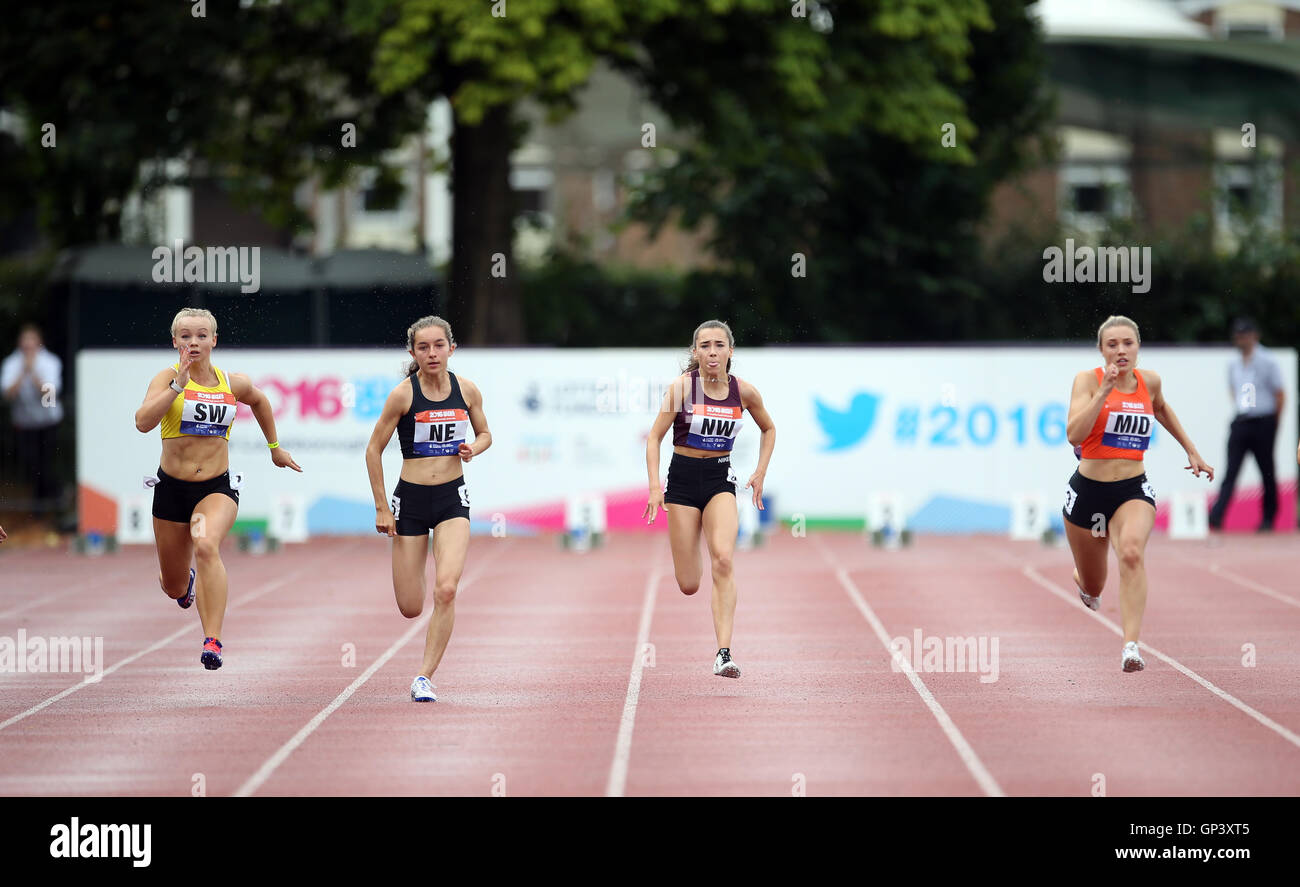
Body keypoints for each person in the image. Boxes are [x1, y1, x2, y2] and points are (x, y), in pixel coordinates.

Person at [134, 308, 301, 670]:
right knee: (173, 587)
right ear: (175, 341)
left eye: (200, 335)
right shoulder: (166, 377)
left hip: (216, 487)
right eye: (185, 336)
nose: (193, 342)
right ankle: (184, 584)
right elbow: (142, 422)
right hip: (172, 490)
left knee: (206, 544)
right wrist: (177, 386)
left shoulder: (231, 382)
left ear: (214, 340)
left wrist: (275, 449)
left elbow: (259, 400)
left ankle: (213, 639)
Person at [1064, 315, 1213, 672]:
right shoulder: (1087, 381)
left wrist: (1190, 450)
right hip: (1087, 493)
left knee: (1131, 553)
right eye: (1112, 345)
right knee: (1094, 585)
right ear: (1102, 351)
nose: (1120, 351)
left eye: (1127, 343)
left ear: (1138, 348)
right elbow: (1074, 435)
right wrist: (1104, 392)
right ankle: (1083, 580)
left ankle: (1131, 645)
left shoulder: (1150, 382)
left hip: (1132, 488)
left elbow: (1161, 408)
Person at [365, 316, 491, 703]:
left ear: (452, 348)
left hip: (452, 499)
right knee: (410, 606)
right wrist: (383, 508)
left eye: (439, 345)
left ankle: (424, 676)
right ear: (413, 352)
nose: (432, 353)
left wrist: (475, 448)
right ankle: (411, 564)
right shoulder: (403, 395)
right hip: (411, 502)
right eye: (424, 347)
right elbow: (373, 450)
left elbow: (486, 433)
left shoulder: (467, 390)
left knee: (448, 589)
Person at [643, 319, 776, 678]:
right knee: (689, 584)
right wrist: (656, 487)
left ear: (730, 351)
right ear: (695, 352)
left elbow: (769, 428)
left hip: (720, 479)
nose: (712, 352)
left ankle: (723, 652)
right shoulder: (682, 388)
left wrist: (760, 471)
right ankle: (693, 550)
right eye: (705, 346)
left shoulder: (744, 392)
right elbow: (654, 437)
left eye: (719, 345)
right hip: (683, 483)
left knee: (723, 559)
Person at [1208, 318, 1285, 533]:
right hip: (1242, 421)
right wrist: (1244, 409)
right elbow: (1233, 389)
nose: (1241, 339)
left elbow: (1279, 393)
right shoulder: (1233, 363)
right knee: (1231, 470)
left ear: (1254, 336)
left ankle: (1269, 518)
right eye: (1238, 336)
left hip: (1264, 421)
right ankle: (1217, 515)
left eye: (1245, 335)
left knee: (1267, 471)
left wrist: (1274, 422)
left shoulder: (1268, 360)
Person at [1, 324, 65, 516]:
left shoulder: (50, 362)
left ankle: (45, 507)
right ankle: (42, 504)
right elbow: (7, 394)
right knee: (30, 465)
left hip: (48, 423)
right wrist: (22, 373)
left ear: (39, 342)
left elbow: (50, 396)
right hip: (24, 423)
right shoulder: (11, 364)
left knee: (46, 465)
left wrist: (34, 373)